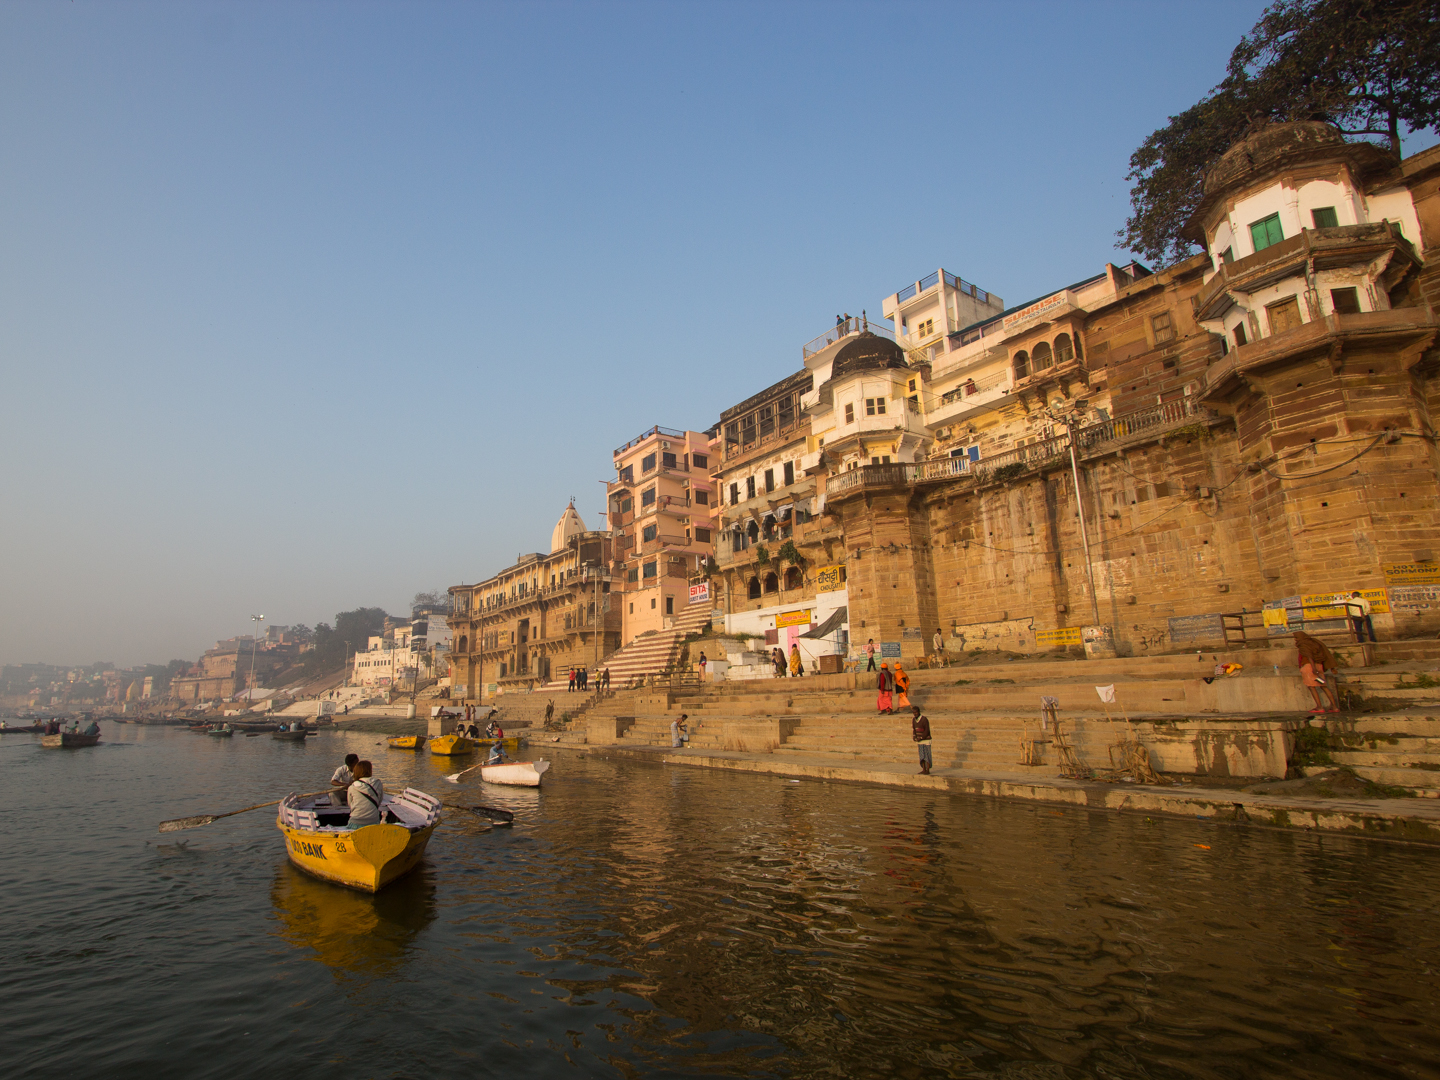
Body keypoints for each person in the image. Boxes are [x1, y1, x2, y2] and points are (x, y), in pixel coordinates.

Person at [1294, 631, 1341, 714]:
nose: (1295, 639)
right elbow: (1326, 653)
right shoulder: (1314, 643)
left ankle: (1319, 707)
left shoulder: (1303, 644)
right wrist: (1331, 667)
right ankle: (1335, 707)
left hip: (1309, 669)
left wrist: (1313, 668)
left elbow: (1309, 656)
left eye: (1296, 638)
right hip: (1319, 667)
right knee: (1323, 685)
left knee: (1312, 687)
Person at [346, 761, 384, 827]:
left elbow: (351, 805)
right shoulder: (378, 783)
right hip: (373, 820)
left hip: (356, 821)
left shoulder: (352, 787)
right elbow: (379, 801)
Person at [911, 706, 933, 775]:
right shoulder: (914, 720)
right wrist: (914, 736)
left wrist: (921, 738)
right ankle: (923, 769)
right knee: (922, 756)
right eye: (914, 713)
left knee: (927, 755)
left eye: (916, 712)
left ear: (919, 712)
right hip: (919, 741)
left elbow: (927, 730)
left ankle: (928, 770)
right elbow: (914, 729)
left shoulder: (924, 719)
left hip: (926, 740)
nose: (915, 714)